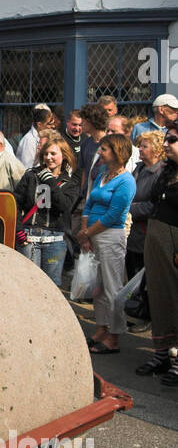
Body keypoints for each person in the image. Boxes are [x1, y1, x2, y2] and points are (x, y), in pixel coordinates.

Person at [77, 134, 136, 354]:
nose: (99, 152)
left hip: (110, 236)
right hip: (92, 234)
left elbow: (114, 215)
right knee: (97, 289)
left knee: (113, 288)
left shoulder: (126, 181)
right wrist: (85, 231)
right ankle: (101, 329)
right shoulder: (103, 174)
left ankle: (114, 336)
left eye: (104, 149)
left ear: (117, 152)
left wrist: (87, 233)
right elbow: (89, 203)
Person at [136, 126, 178, 384]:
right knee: (159, 298)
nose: (168, 143)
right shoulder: (166, 172)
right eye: (167, 138)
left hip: (175, 244)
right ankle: (162, 354)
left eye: (173, 139)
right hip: (157, 243)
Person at [14, 134, 80, 285]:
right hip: (29, 238)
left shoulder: (70, 183)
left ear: (64, 156)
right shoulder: (31, 176)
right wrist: (18, 230)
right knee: (30, 283)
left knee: (51, 286)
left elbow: (64, 206)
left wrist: (50, 180)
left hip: (55, 240)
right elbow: (15, 203)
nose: (49, 157)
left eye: (53, 153)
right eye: (45, 154)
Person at [126, 129, 165, 288]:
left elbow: (154, 206)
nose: (140, 149)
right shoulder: (138, 168)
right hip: (131, 236)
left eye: (145, 146)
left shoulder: (161, 173)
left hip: (145, 237)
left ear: (157, 151)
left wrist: (128, 209)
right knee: (130, 281)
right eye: (140, 146)